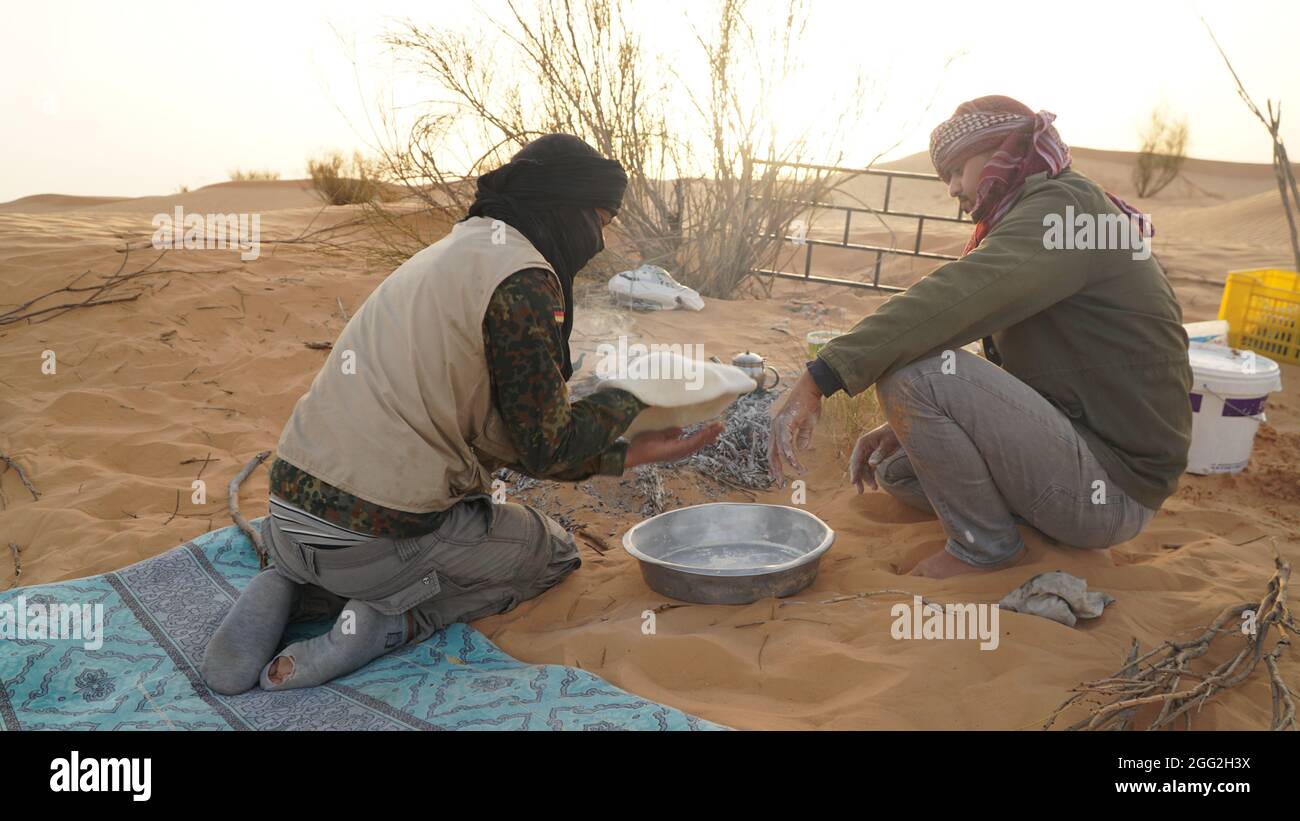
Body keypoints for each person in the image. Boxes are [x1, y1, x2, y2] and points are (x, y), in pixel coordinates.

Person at [201, 134, 721, 695]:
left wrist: (624, 453)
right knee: (551, 552)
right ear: (561, 208)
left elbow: (496, 431)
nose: (599, 240)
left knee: (359, 542)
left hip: (286, 514)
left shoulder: (451, 253)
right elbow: (544, 447)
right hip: (371, 536)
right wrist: (635, 394)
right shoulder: (521, 281)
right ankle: (388, 622)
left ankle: (287, 586)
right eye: (598, 219)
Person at [768, 96, 1192, 579]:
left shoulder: (1065, 213)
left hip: (1112, 491)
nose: (952, 189)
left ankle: (984, 547)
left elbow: (957, 297)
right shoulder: (1039, 209)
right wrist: (908, 425)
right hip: (1084, 455)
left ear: (1000, 151)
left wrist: (821, 375)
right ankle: (1016, 524)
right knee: (897, 469)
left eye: (955, 171)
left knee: (915, 375)